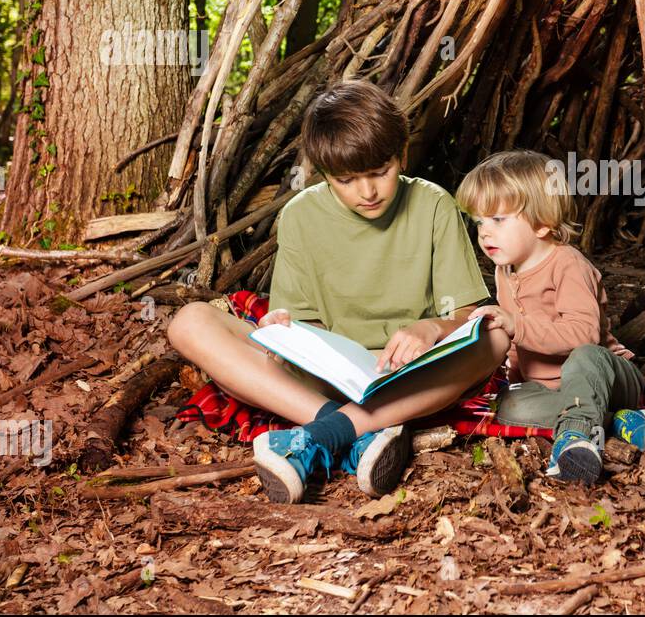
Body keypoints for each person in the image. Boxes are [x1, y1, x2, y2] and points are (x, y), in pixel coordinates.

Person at [167, 81, 509, 503]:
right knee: (190, 321)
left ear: (401, 154)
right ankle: (351, 430)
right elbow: (303, 320)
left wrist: (431, 327)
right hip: (329, 375)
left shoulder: (433, 205)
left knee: (495, 334)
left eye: (380, 172)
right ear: (323, 174)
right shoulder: (300, 215)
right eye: (346, 180)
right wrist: (283, 332)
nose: (367, 192)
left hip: (411, 374)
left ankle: (321, 436)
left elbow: (467, 316)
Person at [456, 150, 645, 485]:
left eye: (498, 220)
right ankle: (617, 421)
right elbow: (518, 346)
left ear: (542, 223)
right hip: (554, 390)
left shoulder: (567, 264)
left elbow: (584, 335)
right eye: (480, 222)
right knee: (509, 407)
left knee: (585, 357)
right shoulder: (503, 269)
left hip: (607, 375)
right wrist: (512, 371)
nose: (485, 233)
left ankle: (577, 439)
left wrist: (514, 325)